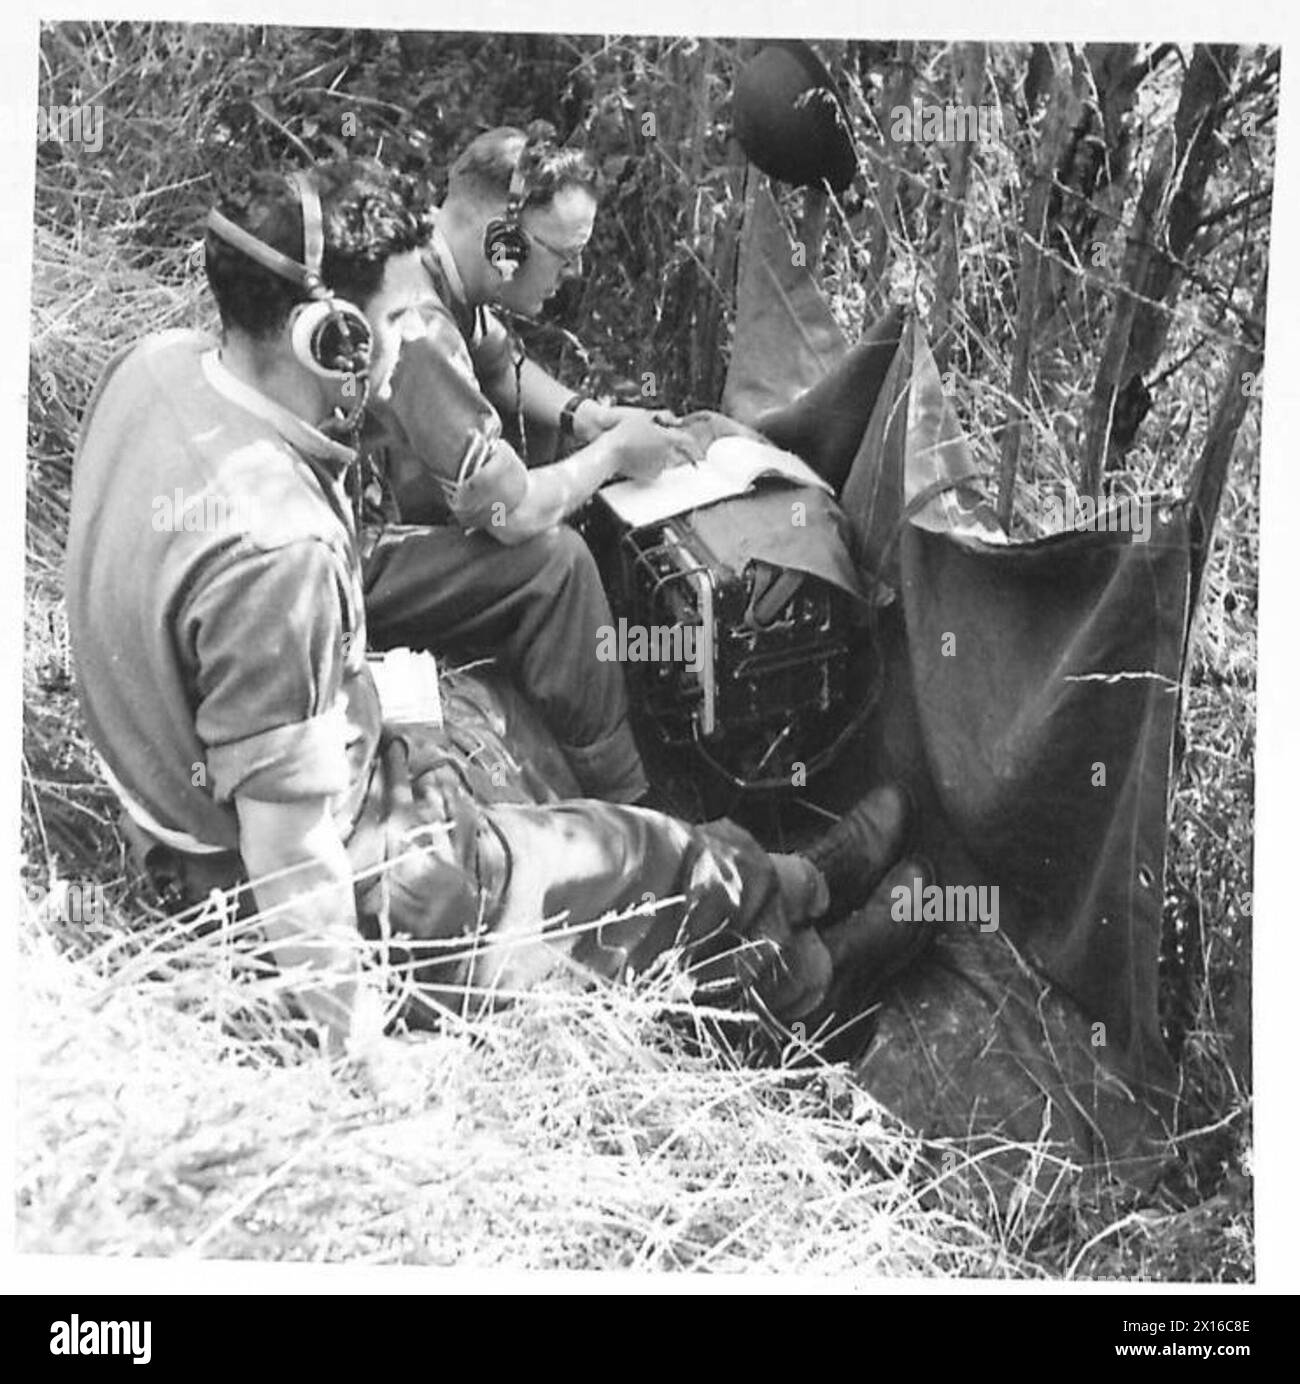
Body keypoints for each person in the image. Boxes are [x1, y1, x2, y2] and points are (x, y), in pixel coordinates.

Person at [66, 157, 926, 1068]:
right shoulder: (278, 554)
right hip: (325, 876)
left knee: (585, 820)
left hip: (238, 801)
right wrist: (360, 1063)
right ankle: (815, 984)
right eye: (393, 326)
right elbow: (291, 860)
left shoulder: (152, 369)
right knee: (641, 859)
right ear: (327, 338)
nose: (404, 350)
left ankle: (792, 887)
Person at [361, 123, 695, 807]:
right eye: (563, 256)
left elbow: (498, 362)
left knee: (548, 458)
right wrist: (610, 456)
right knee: (558, 564)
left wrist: (585, 417)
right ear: (503, 240)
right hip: (343, 561)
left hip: (362, 519)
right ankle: (632, 805)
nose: (572, 276)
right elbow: (511, 516)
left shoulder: (434, 254)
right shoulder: (416, 324)